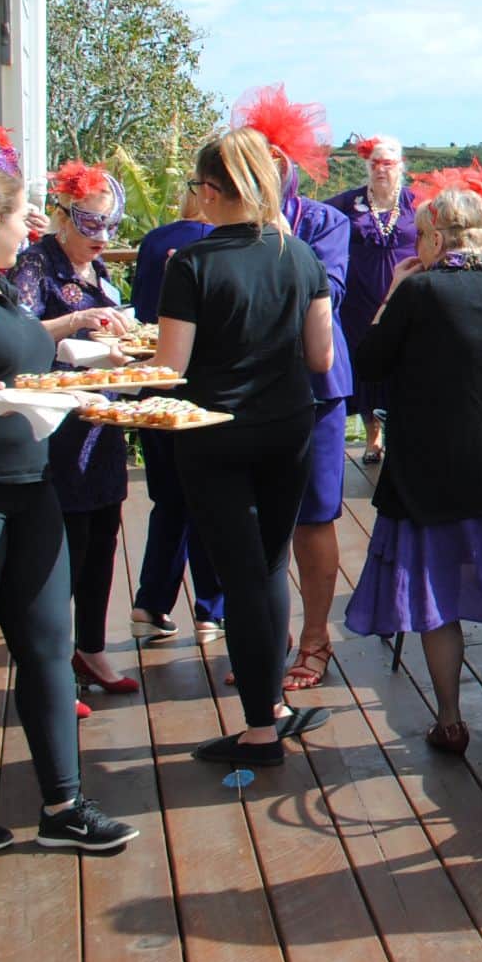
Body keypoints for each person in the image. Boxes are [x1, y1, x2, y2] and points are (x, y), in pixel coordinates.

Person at [344, 176, 482, 757]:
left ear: (437, 240)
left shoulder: (420, 294)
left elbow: (367, 363)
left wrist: (392, 289)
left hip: (433, 473)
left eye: (420, 237)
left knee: (438, 601)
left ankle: (449, 720)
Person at [0, 124, 138, 851]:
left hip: (30, 483)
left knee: (46, 644)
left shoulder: (4, 290)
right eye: (19, 221)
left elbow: (34, 357)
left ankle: (63, 806)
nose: (28, 231)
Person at [154, 126, 336, 767]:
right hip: (287, 428)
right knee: (268, 564)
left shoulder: (193, 264)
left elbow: (170, 369)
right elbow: (321, 356)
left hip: (212, 434)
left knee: (240, 574)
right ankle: (278, 708)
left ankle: (259, 731)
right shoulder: (300, 255)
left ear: (209, 191)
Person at [232, 84, 353, 696]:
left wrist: (276, 227)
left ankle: (315, 637)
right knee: (256, 522)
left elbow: (327, 292)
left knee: (313, 518)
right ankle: (265, 635)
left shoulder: (328, 223)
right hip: (249, 388)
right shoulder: (229, 226)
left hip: (316, 387)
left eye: (276, 159)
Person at [10, 161, 133, 699]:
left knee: (104, 536)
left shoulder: (100, 273)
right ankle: (54, 664)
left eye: (109, 227)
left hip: (100, 421)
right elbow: (21, 337)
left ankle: (93, 648)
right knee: (67, 544)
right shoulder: (35, 264)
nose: (101, 239)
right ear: (63, 217)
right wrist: (76, 322)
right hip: (56, 420)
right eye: (90, 226)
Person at [127, 183, 223, 642]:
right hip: (200, 386)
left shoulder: (153, 241)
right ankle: (211, 608)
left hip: (153, 378)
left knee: (168, 500)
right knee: (207, 501)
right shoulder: (217, 245)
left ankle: (150, 602)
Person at [326, 135, 417, 466]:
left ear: (401, 166)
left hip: (406, 300)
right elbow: (314, 220)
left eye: (387, 163)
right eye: (374, 163)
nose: (380, 169)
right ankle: (372, 437)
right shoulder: (347, 203)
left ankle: (404, 437)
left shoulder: (415, 201)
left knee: (404, 365)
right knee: (367, 367)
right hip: (360, 301)